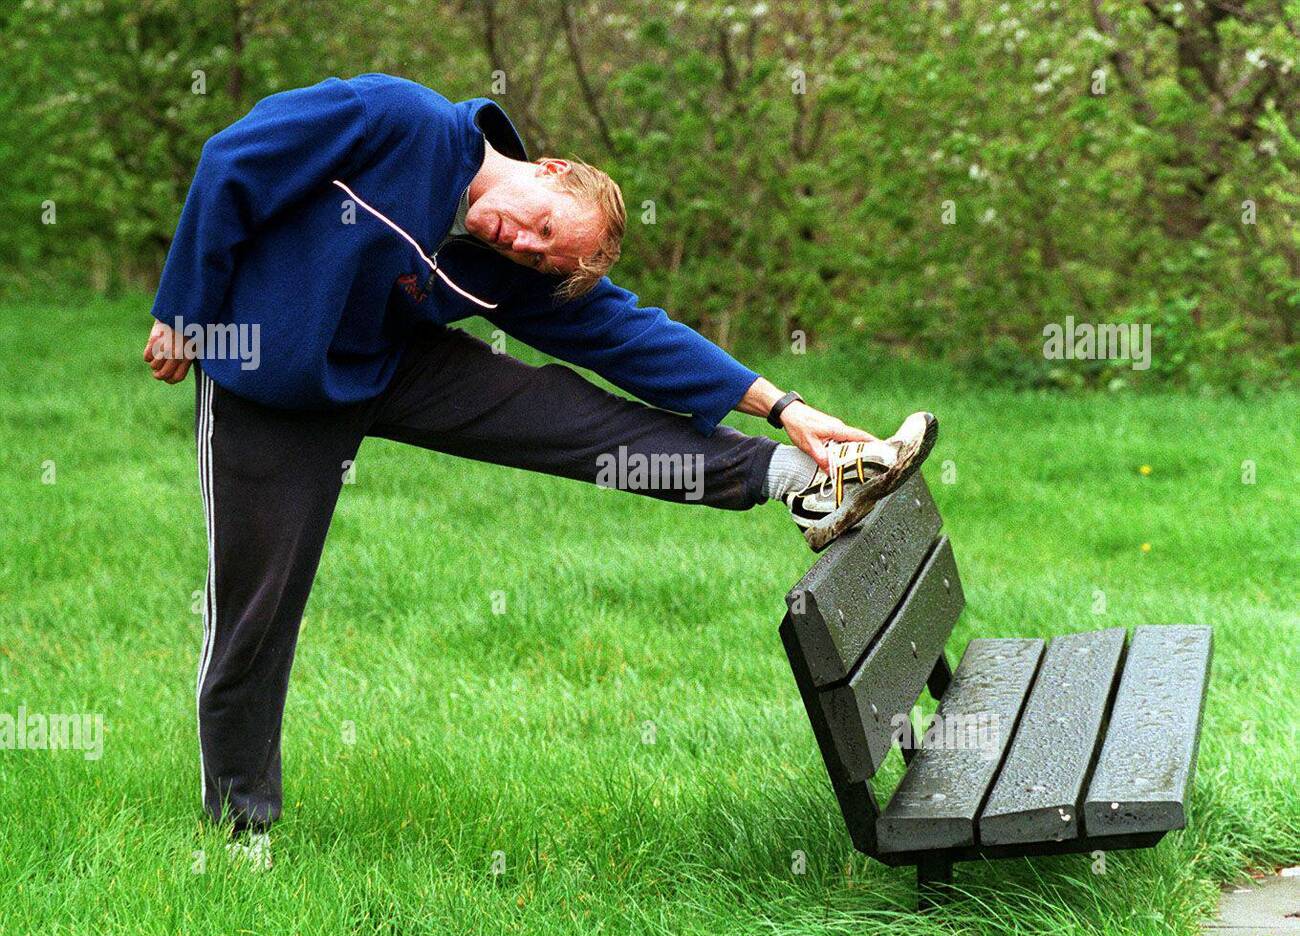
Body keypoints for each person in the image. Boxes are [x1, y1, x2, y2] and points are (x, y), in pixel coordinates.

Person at [144, 74, 937, 834]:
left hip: (390, 361)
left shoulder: (509, 266)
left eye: (535, 257)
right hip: (271, 384)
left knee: (571, 419)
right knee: (258, 608)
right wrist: (187, 308)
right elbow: (232, 160)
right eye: (544, 229)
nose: (520, 244)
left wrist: (782, 406)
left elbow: (624, 333)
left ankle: (802, 480)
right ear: (553, 171)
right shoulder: (397, 117)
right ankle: (239, 826)